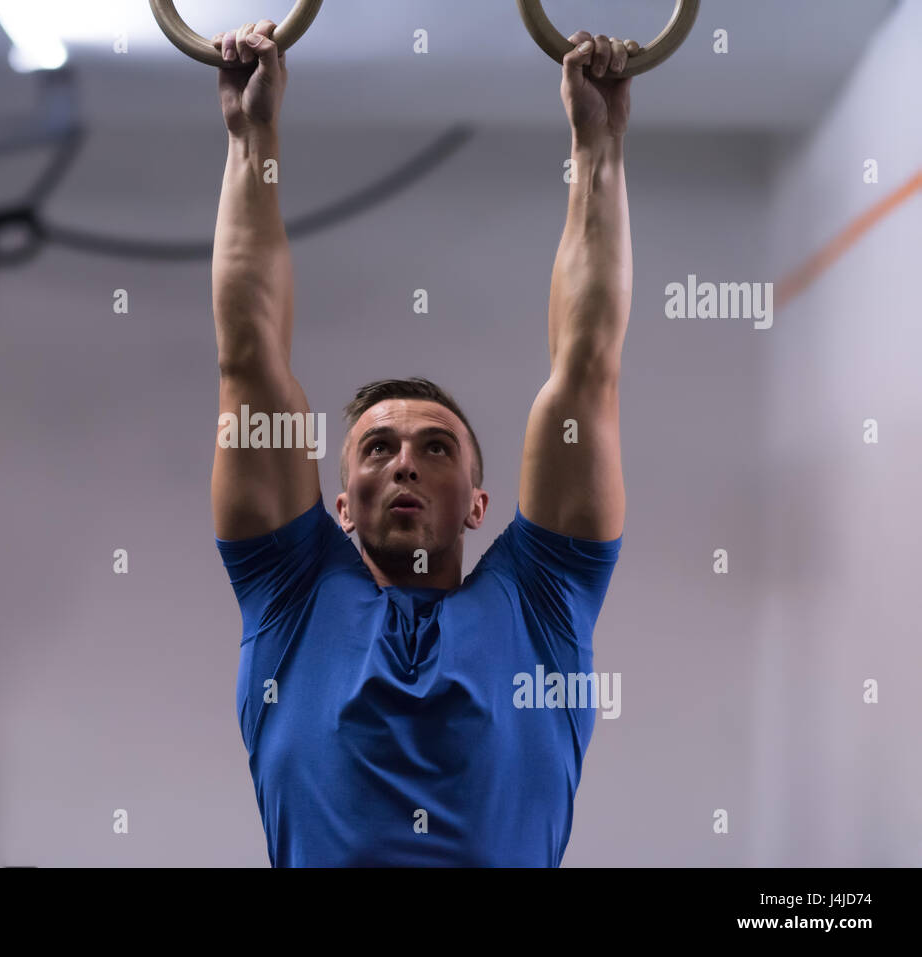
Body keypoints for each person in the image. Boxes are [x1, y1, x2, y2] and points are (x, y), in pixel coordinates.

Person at [209, 20, 634, 866]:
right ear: (337, 503)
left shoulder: (543, 602)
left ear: (481, 502)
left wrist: (599, 147)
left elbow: (587, 368)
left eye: (437, 448)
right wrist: (251, 134)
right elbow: (246, 353)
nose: (404, 460)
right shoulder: (289, 594)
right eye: (375, 449)